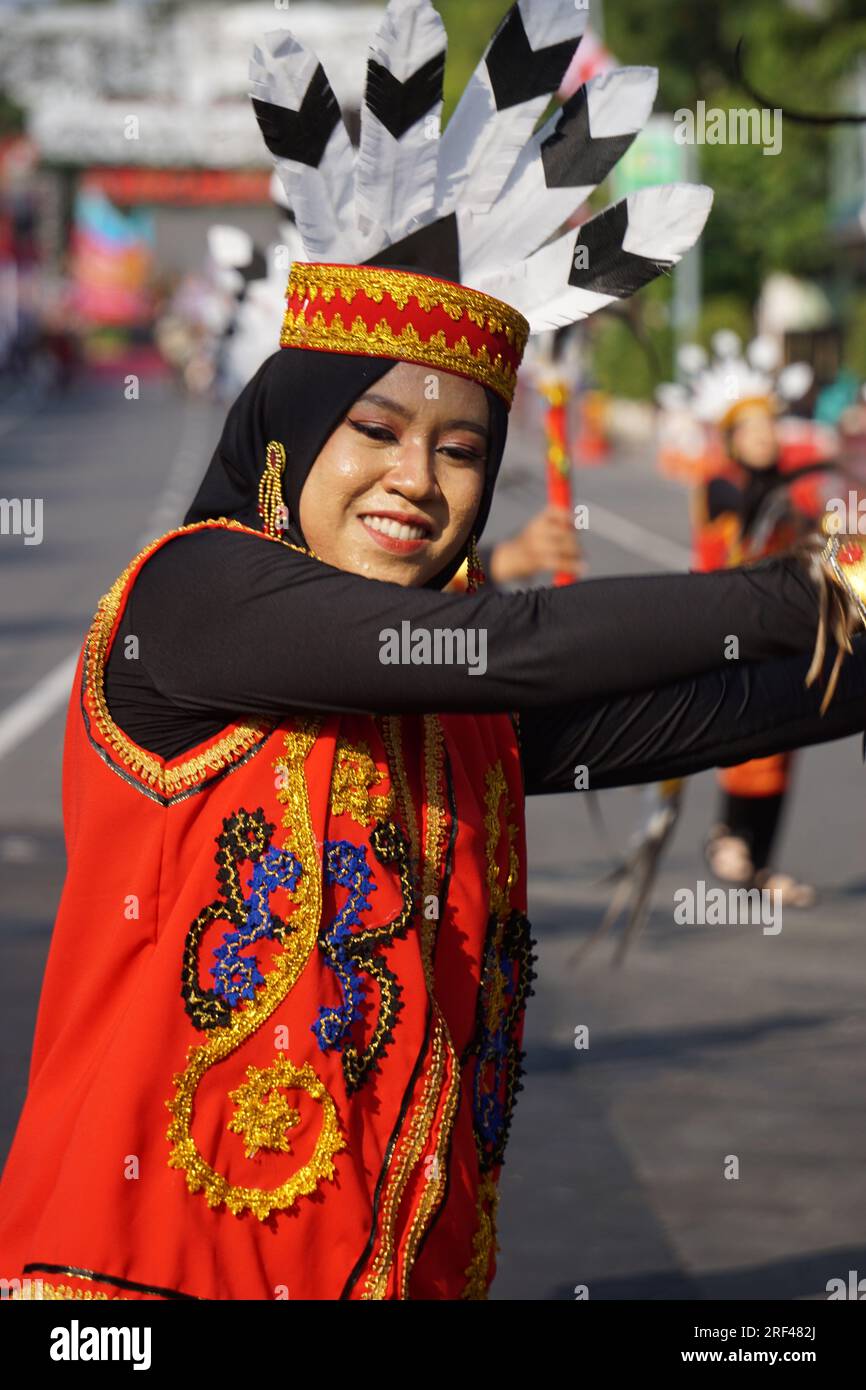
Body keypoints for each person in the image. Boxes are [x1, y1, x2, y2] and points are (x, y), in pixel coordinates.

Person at [2, 0, 866, 1303]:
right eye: (377, 429)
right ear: (285, 442)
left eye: (460, 448)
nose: (418, 478)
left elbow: (742, 704)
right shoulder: (192, 595)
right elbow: (499, 644)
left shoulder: (451, 723)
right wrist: (802, 585)